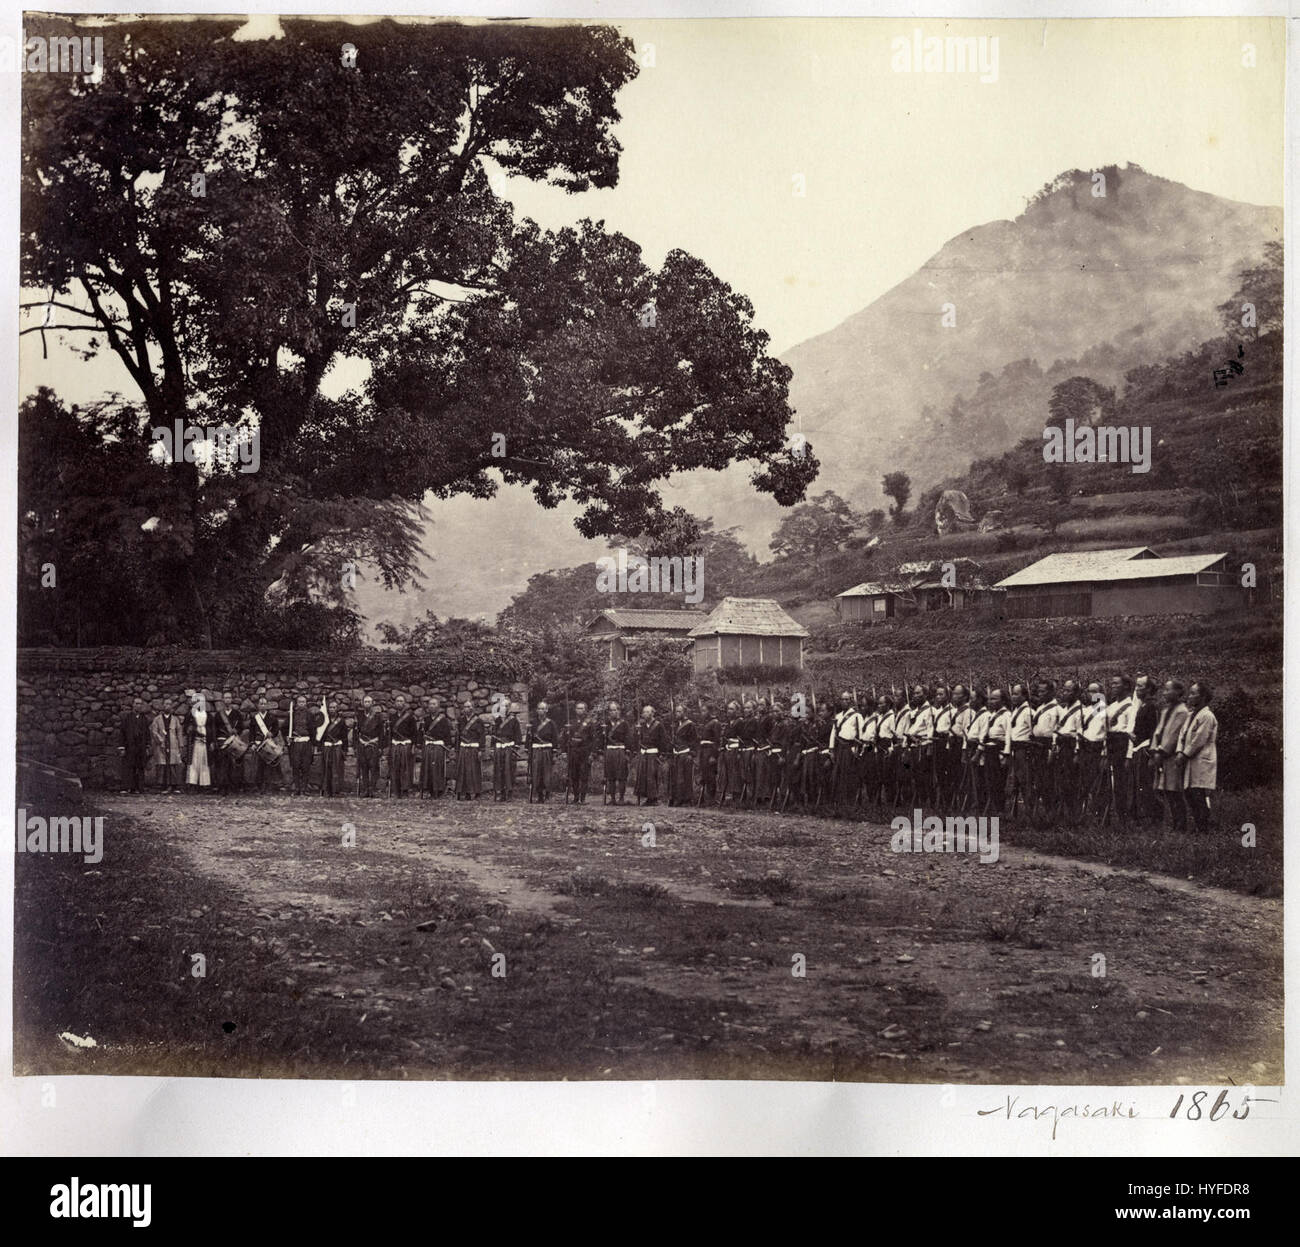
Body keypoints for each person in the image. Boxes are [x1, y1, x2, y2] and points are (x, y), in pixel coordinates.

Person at [1176, 681, 1218, 834]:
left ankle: (1203, 828)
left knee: (1198, 793)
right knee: (1190, 793)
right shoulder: (1191, 714)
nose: (1190, 696)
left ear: (1203, 697)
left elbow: (1199, 739)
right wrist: (1180, 751)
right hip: (1190, 759)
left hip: (1201, 759)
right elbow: (1183, 734)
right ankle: (1199, 826)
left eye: (1193, 693)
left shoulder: (1207, 716)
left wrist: (1185, 754)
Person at [1152, 680, 1191, 832]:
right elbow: (1158, 731)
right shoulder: (1165, 710)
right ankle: (1175, 823)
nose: (1164, 693)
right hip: (1161, 755)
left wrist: (1162, 751)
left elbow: (1174, 735)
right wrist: (1155, 749)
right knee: (1167, 790)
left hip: (1171, 756)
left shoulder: (1182, 711)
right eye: (1164, 690)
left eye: (1168, 690)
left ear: (1178, 692)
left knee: (1174, 790)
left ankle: (1180, 825)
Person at [1127, 675, 1162, 823]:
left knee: (1145, 784)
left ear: (1148, 689)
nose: (1137, 689)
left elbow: (1155, 730)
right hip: (1139, 747)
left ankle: (1155, 816)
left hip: (1145, 749)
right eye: (1136, 686)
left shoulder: (1151, 706)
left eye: (1140, 686)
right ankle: (1143, 815)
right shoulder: (1143, 705)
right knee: (1139, 784)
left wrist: (1150, 750)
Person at [150, 697, 185, 792]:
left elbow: (179, 733)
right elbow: (154, 731)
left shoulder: (175, 719)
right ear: (163, 706)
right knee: (162, 765)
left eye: (169, 704)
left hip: (173, 744)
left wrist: (181, 745)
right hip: (161, 745)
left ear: (171, 707)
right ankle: (162, 785)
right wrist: (160, 740)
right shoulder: (157, 719)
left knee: (173, 764)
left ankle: (174, 785)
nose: (167, 706)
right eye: (166, 704)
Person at [184, 690, 216, 792]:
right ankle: (193, 784)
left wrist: (212, 742)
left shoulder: (209, 716)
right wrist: (192, 731)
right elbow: (186, 728)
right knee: (193, 763)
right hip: (195, 742)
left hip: (205, 743)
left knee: (204, 763)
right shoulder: (190, 715)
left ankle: (205, 785)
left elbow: (213, 729)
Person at [246, 696, 280, 792]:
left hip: (268, 743)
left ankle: (268, 785)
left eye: (264, 703)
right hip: (258, 744)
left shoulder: (272, 717)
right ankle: (258, 785)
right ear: (258, 705)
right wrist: (252, 743)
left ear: (267, 705)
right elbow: (251, 732)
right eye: (261, 703)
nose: (263, 705)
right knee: (258, 765)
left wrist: (272, 733)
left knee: (268, 765)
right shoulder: (254, 718)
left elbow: (276, 729)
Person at [212, 691, 244, 794]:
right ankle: (222, 787)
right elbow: (214, 729)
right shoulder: (218, 715)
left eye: (229, 698)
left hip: (233, 741)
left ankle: (233, 786)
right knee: (222, 765)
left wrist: (237, 731)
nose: (227, 700)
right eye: (226, 698)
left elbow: (241, 727)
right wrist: (215, 742)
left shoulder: (237, 714)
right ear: (223, 700)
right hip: (222, 742)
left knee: (233, 765)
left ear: (231, 700)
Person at [421, 700, 455, 798]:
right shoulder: (425, 720)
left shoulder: (443, 720)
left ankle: (438, 790)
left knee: (437, 768)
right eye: (430, 704)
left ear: (438, 707)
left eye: (434, 704)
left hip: (439, 747)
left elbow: (447, 734)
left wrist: (448, 746)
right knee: (428, 769)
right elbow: (421, 733)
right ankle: (428, 789)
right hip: (428, 746)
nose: (432, 706)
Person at [118, 697, 151, 793]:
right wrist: (122, 747)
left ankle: (138, 788)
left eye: (140, 704)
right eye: (136, 703)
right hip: (130, 746)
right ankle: (126, 787)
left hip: (140, 747)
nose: (138, 706)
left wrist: (147, 746)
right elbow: (122, 733)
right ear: (133, 705)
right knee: (128, 767)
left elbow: (147, 733)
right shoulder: (127, 718)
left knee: (140, 767)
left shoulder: (144, 719)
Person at [355, 695, 386, 798]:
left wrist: (381, 747)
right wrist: (356, 745)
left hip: (373, 744)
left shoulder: (377, 717)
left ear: (372, 703)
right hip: (362, 744)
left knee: (374, 767)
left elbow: (382, 733)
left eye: (369, 702)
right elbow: (356, 732)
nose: (367, 704)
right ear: (362, 703)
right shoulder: (359, 716)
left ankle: (372, 789)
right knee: (363, 767)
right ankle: (365, 789)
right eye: (365, 702)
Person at [318, 695, 348, 797]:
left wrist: (345, 749)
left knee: (337, 769)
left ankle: (337, 790)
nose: (332, 709)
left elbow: (344, 736)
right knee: (326, 768)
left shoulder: (341, 721)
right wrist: (320, 746)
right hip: (327, 747)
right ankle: (326, 789)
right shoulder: (323, 720)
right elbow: (320, 734)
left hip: (337, 747)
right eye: (330, 707)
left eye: (334, 707)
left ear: (337, 709)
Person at [669, 704, 698, 807]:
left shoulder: (690, 725)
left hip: (685, 754)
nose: (677, 714)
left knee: (685, 777)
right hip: (676, 754)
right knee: (676, 777)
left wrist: (692, 754)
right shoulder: (675, 725)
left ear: (685, 713)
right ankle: (676, 798)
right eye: (676, 711)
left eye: (679, 712)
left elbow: (694, 741)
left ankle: (687, 799)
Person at [529, 701, 559, 801]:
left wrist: (554, 752)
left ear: (546, 710)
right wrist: (528, 749)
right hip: (536, 750)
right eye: (539, 708)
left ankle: (547, 792)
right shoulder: (533, 723)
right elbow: (529, 738)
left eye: (543, 708)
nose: (540, 711)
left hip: (547, 751)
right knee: (537, 772)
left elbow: (555, 738)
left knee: (546, 773)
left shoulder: (551, 723)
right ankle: (539, 794)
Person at [388, 694, 417, 797]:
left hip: (406, 745)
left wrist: (413, 746)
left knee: (405, 767)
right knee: (395, 767)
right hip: (395, 744)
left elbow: (414, 733)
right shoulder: (392, 717)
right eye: (397, 701)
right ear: (395, 703)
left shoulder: (410, 717)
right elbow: (389, 734)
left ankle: (405, 790)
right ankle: (396, 790)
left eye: (401, 701)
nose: (399, 703)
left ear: (404, 703)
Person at [493, 702, 523, 800]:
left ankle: (509, 792)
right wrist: (493, 747)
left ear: (509, 708)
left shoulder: (514, 721)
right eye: (502, 706)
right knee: (499, 770)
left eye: (506, 706)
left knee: (509, 770)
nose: (504, 708)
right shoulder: (497, 721)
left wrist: (515, 747)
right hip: (499, 748)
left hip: (509, 748)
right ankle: (500, 792)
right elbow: (494, 734)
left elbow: (518, 736)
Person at [602, 701, 631, 804]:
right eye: (611, 710)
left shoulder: (624, 724)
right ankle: (612, 798)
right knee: (611, 775)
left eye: (616, 710)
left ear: (619, 711)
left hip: (620, 750)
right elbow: (600, 739)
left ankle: (621, 798)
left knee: (622, 775)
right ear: (609, 712)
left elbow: (628, 738)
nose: (614, 712)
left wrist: (628, 753)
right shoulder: (605, 724)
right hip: (610, 751)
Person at [287, 694, 315, 796]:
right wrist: (288, 736)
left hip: (306, 743)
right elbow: (285, 727)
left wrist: (312, 742)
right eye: (299, 702)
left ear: (306, 703)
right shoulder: (292, 714)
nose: (301, 704)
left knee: (306, 766)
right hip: (296, 743)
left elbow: (313, 730)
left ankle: (304, 788)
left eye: (303, 702)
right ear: (297, 703)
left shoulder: (310, 715)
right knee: (295, 765)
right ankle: (297, 789)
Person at [456, 707, 486, 800]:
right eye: (465, 707)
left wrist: (481, 749)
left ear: (473, 708)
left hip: (474, 748)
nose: (467, 709)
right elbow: (458, 735)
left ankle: (477, 792)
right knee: (463, 771)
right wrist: (457, 749)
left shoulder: (478, 721)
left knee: (474, 770)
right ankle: (465, 793)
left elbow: (482, 736)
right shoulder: (460, 720)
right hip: (463, 747)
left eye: (469, 707)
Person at [697, 701, 722, 805]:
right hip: (703, 750)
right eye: (701, 711)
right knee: (704, 773)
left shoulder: (715, 723)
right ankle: (703, 798)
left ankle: (711, 797)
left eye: (704, 711)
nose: (702, 713)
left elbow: (717, 741)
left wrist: (713, 756)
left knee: (711, 774)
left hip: (710, 750)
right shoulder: (705, 723)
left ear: (710, 711)